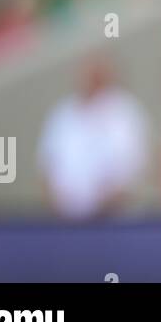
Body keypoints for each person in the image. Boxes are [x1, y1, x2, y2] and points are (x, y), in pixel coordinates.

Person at [38, 55, 149, 220]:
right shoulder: (63, 113)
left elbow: (134, 168)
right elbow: (46, 168)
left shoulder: (126, 113)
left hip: (115, 222)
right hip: (67, 223)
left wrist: (99, 206)